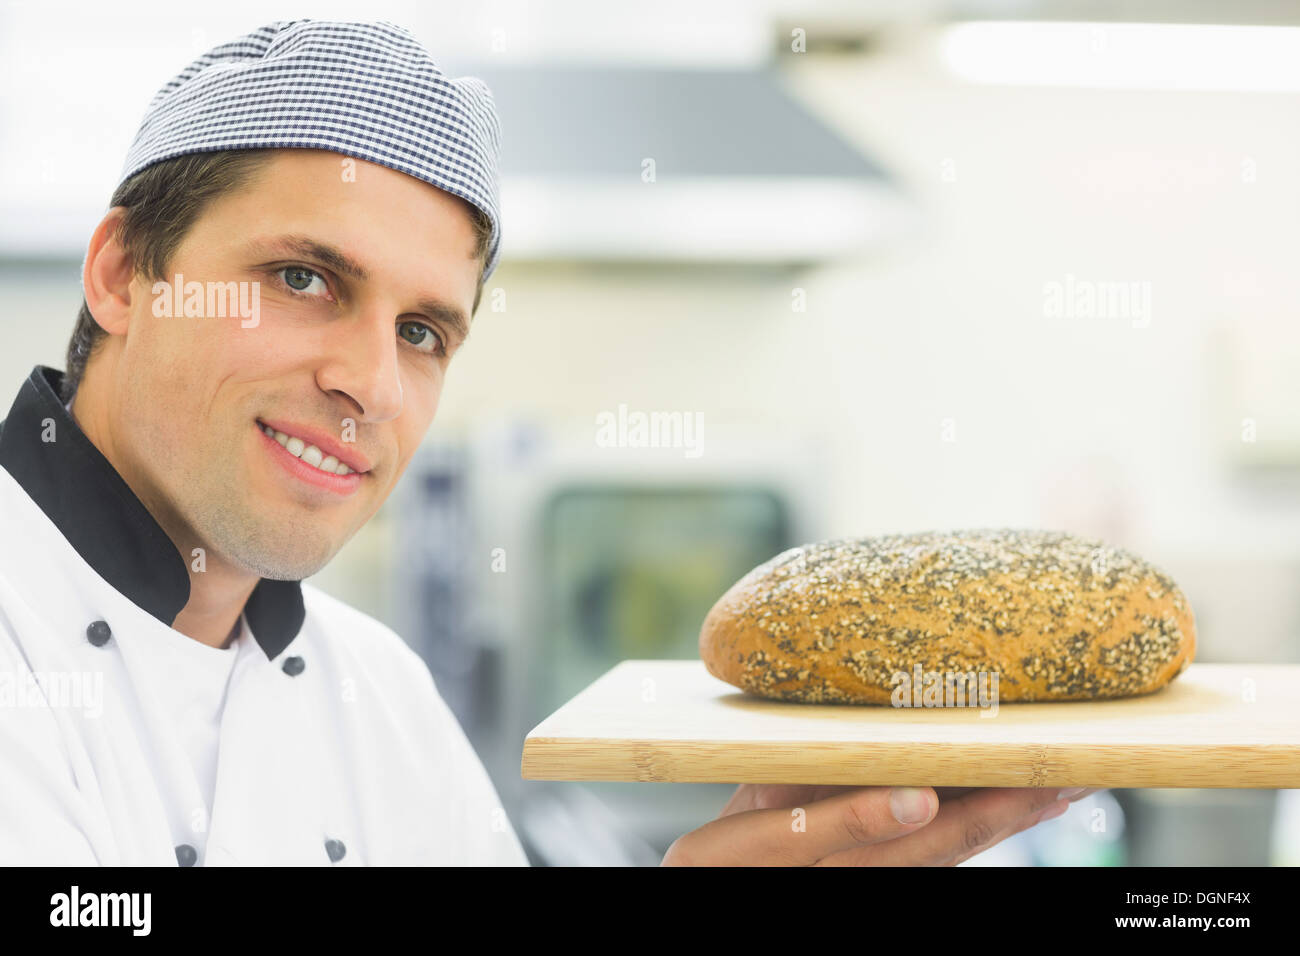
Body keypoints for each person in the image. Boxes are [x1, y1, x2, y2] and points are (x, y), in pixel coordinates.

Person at [0, 18, 1092, 867]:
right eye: (302, 277)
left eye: (422, 332)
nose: (371, 383)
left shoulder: (377, 693)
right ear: (122, 273)